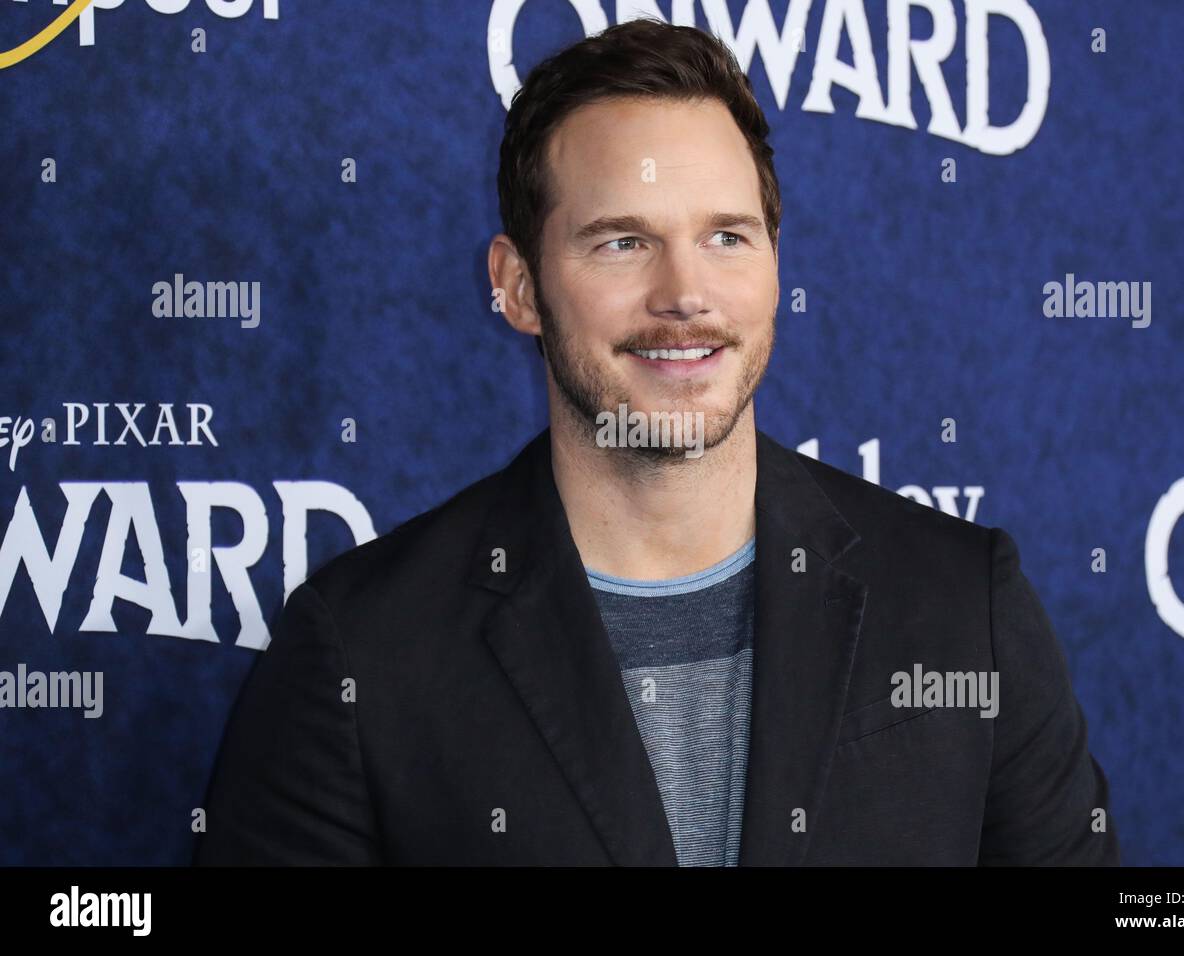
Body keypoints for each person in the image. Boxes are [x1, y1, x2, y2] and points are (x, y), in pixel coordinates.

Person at [196, 17, 1119, 866]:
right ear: (517, 286)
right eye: (621, 243)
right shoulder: (362, 653)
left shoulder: (965, 607)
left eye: (726, 236)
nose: (685, 292)